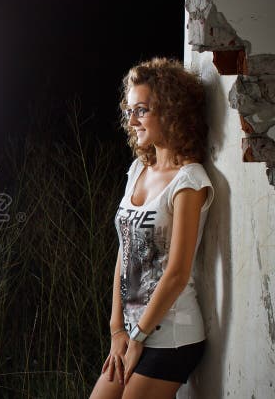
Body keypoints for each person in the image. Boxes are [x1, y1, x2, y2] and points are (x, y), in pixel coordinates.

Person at [90, 58, 213, 399]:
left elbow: (176, 273)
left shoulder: (189, 180)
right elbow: (124, 250)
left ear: (171, 111)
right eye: (130, 110)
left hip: (172, 337)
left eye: (141, 110)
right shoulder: (136, 171)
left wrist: (139, 338)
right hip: (131, 334)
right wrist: (117, 330)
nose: (131, 121)